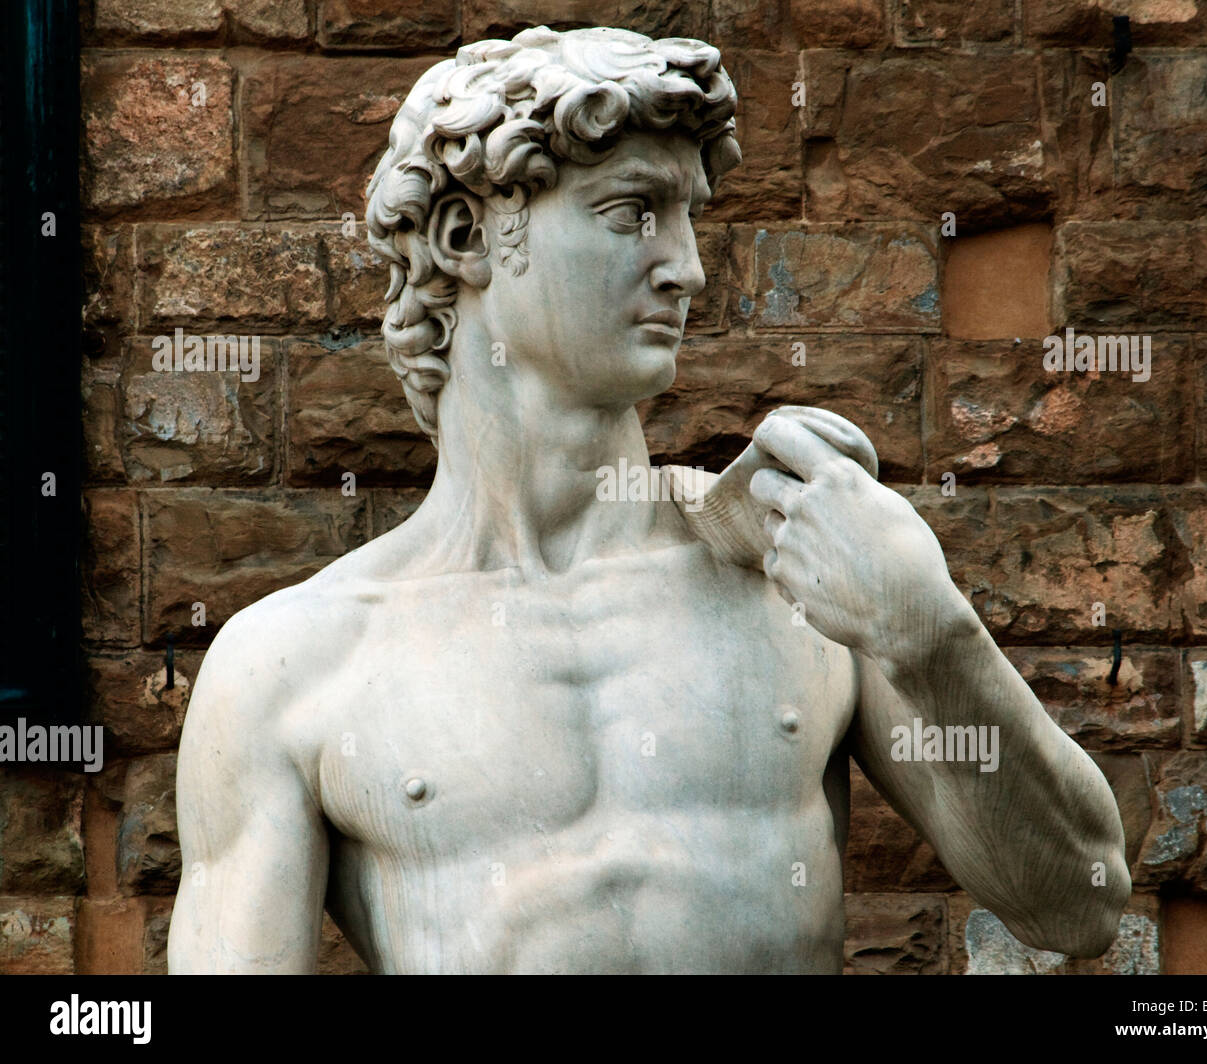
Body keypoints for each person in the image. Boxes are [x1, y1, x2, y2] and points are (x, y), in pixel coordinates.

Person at [168, 25, 1128, 974]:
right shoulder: (289, 668)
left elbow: (1079, 905)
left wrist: (932, 638)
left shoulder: (794, 562)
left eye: (688, 219)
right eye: (633, 212)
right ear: (467, 237)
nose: (688, 267)